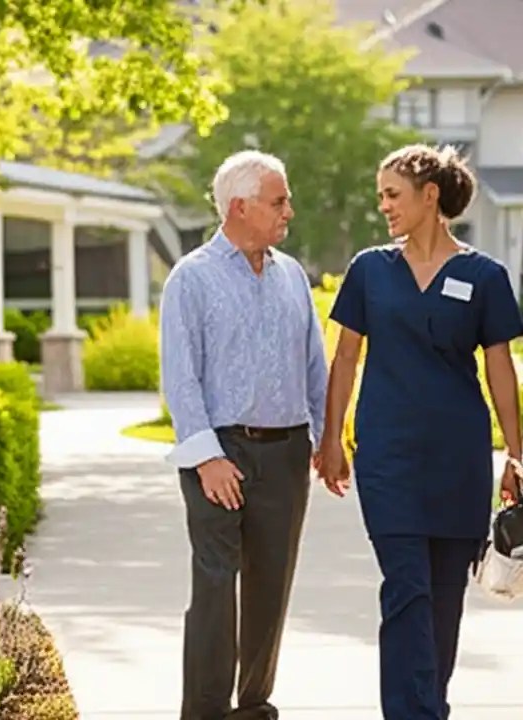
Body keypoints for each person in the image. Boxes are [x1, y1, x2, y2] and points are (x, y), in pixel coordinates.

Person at [316, 143, 523, 719]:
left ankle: (430, 705)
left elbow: (500, 368)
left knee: (444, 600)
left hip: (458, 458)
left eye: (393, 194)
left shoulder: (483, 276)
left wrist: (516, 455)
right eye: (381, 194)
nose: (384, 205)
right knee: (405, 589)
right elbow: (345, 360)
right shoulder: (369, 270)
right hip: (388, 457)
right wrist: (331, 437)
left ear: (429, 196)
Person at [158, 149, 328, 720]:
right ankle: (205, 711)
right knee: (214, 582)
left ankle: (253, 706)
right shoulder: (192, 278)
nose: (289, 211)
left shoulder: (292, 276)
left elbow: (313, 367)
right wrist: (207, 457)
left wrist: (326, 441)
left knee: (270, 585)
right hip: (219, 453)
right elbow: (180, 377)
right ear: (239, 207)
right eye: (278, 201)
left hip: (286, 454)